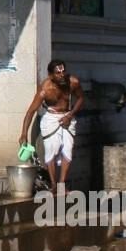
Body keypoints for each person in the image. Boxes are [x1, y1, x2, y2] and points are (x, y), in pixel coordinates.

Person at [19, 59, 85, 189]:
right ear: (51, 75)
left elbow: (81, 98)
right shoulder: (45, 89)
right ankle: (54, 185)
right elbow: (31, 111)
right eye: (58, 73)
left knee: (68, 150)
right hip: (51, 119)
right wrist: (23, 133)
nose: (62, 75)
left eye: (63, 72)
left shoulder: (73, 82)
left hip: (68, 116)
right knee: (51, 150)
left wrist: (70, 115)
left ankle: (62, 184)